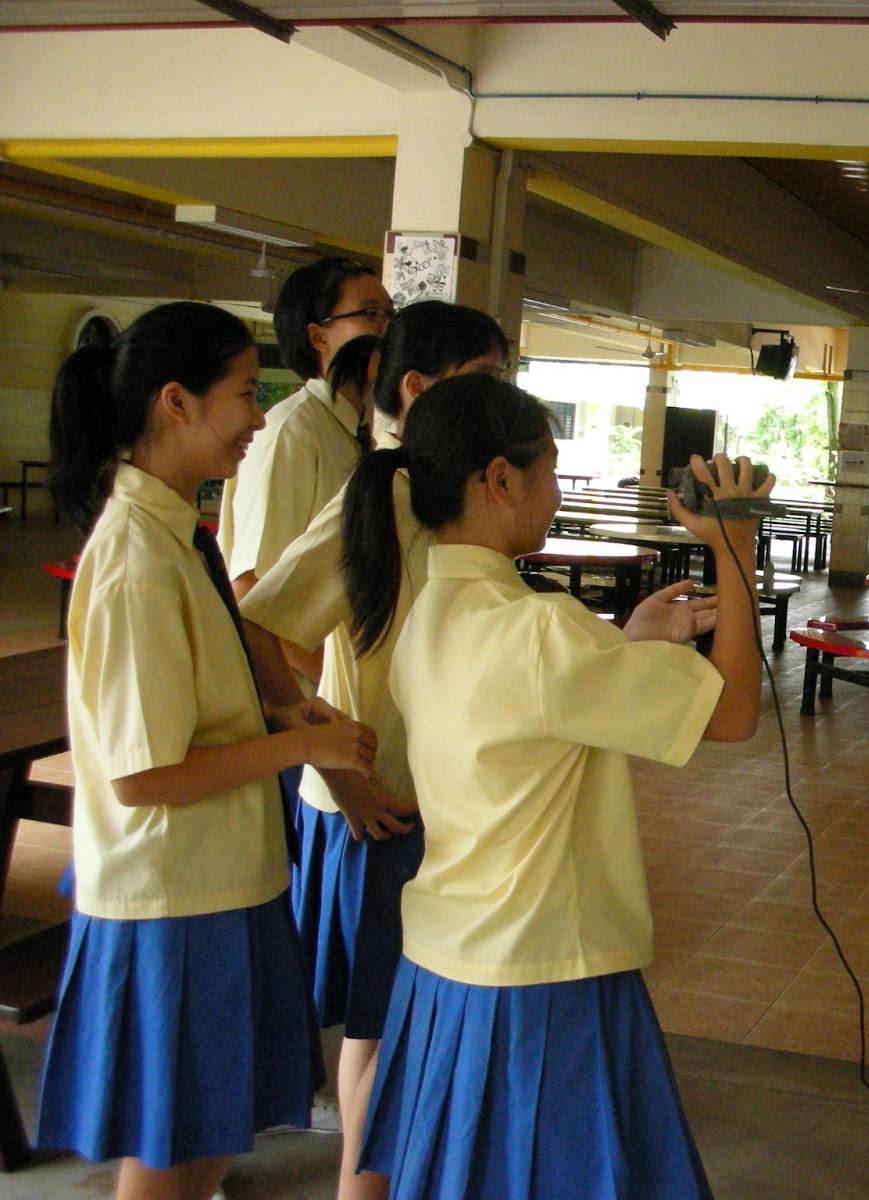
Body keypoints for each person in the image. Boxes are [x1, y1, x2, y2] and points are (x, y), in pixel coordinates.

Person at [350, 375, 767, 1200]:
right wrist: (736, 550)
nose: (558, 493)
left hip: (447, 961)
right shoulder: (540, 629)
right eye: (549, 473)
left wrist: (623, 645)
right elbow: (733, 714)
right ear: (499, 480)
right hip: (542, 977)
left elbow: (527, 716)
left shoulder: (429, 614)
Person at [36, 301, 377, 1200]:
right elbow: (142, 775)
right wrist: (305, 746)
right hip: (175, 900)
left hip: (216, 882)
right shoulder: (137, 562)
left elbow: (193, 716)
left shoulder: (174, 536)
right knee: (174, 1152)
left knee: (206, 1142)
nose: (257, 419)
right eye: (244, 394)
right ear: (175, 402)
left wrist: (283, 720)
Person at [238, 301, 510, 1200]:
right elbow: (259, 623)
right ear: (419, 390)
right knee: (380, 1035)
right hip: (377, 809)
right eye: (485, 383)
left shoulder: (443, 496)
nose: (502, 402)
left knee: (399, 1029)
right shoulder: (383, 496)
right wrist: (329, 752)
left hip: (423, 803)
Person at [219, 257, 392, 615]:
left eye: (390, 315)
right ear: (318, 336)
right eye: (370, 314)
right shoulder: (293, 432)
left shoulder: (354, 431)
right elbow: (254, 587)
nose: (386, 331)